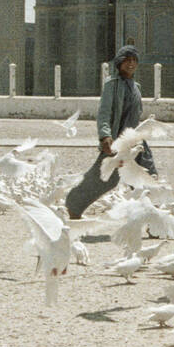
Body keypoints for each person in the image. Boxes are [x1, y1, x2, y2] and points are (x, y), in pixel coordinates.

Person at [65, 45, 157, 219]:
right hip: (117, 142)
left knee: (148, 177)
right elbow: (104, 112)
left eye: (134, 61)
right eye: (127, 60)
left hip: (135, 141)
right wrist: (105, 136)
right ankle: (73, 206)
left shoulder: (135, 86)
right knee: (103, 178)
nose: (131, 64)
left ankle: (154, 223)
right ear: (119, 63)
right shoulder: (112, 85)